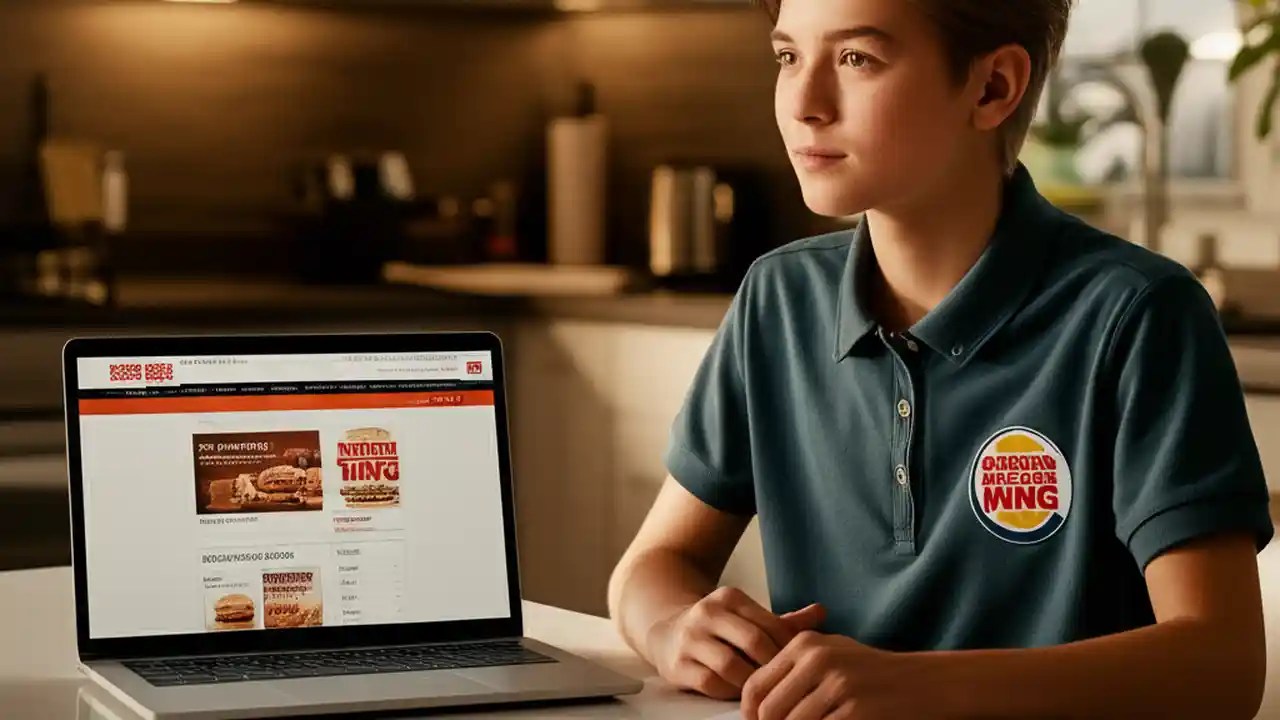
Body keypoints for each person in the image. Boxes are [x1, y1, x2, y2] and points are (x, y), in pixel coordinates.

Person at [606, 0, 1274, 718]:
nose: (804, 104)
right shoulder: (779, 298)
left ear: (992, 88)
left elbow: (1222, 664)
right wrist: (672, 625)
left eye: (857, 58)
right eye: (788, 56)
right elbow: (651, 568)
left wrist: (915, 686)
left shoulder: (1138, 314)